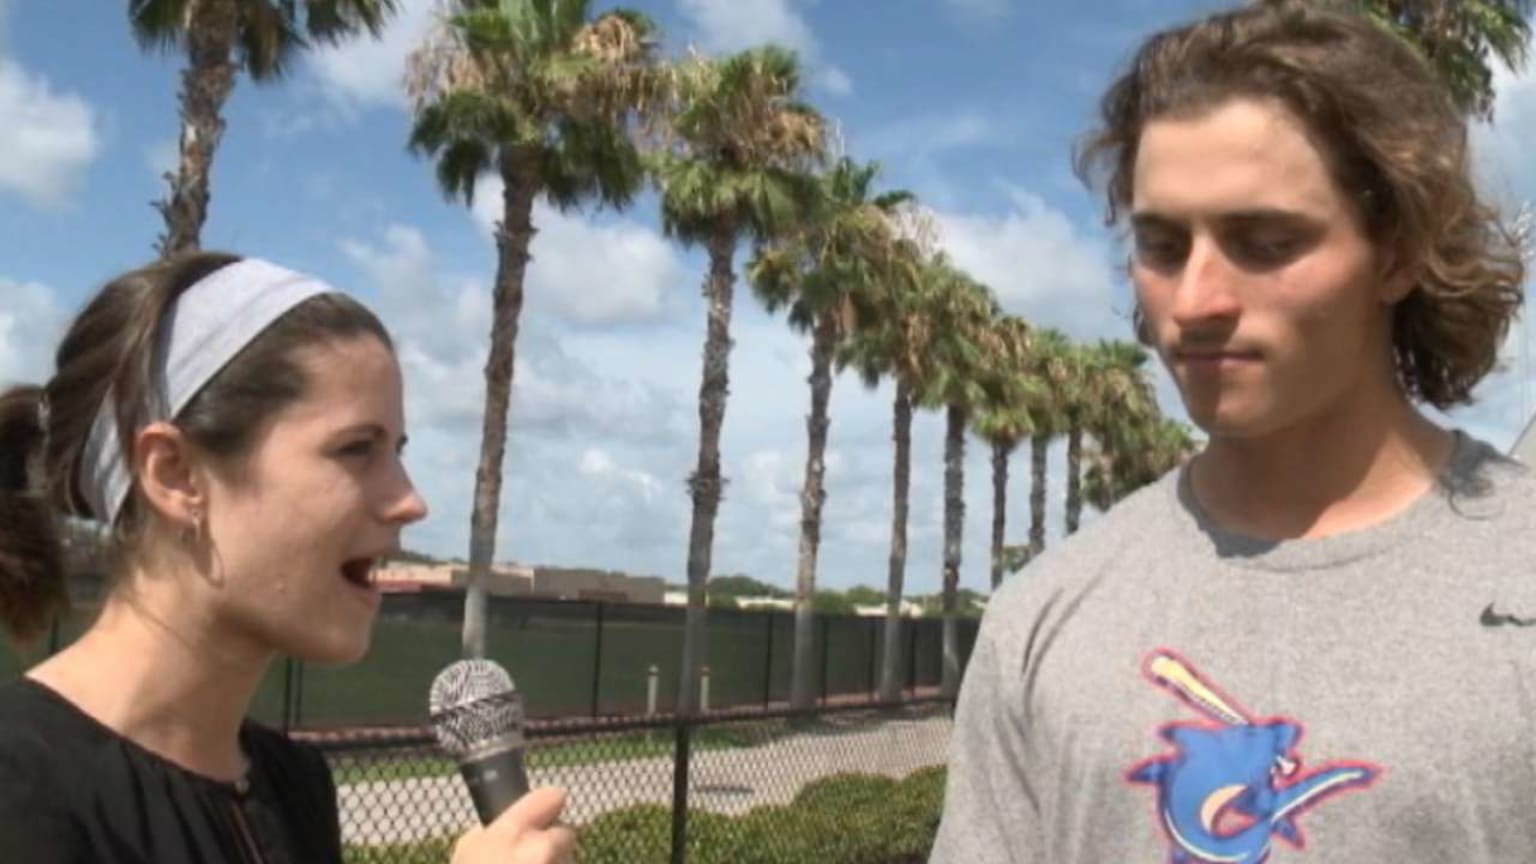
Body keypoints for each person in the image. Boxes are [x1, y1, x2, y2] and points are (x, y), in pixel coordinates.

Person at [931, 2, 1532, 862]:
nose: (1196, 301)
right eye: (1163, 247)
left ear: (1397, 253)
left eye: (1266, 241)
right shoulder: (1046, 618)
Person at [0, 252, 575, 863]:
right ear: (175, 474)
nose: (411, 501)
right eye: (357, 448)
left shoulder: (295, 784)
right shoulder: (19, 786)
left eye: (398, 452)